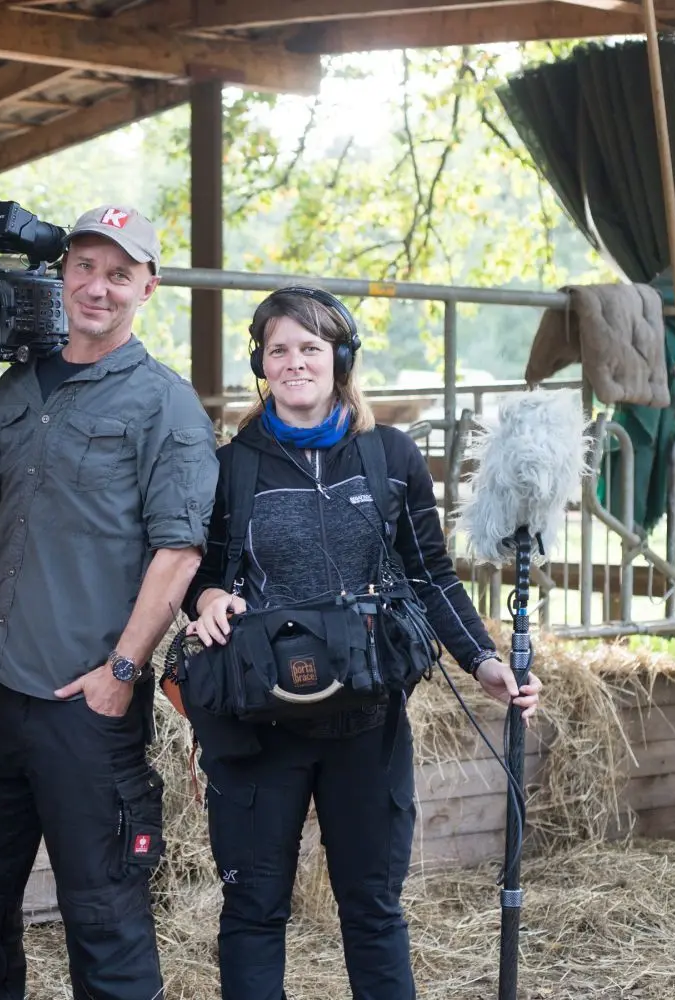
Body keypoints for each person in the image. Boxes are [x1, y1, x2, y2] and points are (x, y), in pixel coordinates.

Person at [180, 286, 543, 1000]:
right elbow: (204, 572)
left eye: (310, 347)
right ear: (260, 361)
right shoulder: (232, 466)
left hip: (367, 722)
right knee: (252, 911)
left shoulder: (390, 457)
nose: (294, 363)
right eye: (278, 349)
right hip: (260, 728)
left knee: (373, 910)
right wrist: (208, 597)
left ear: (340, 358)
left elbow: (430, 574)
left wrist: (485, 661)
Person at [0, 205, 219, 999]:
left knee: (102, 917)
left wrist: (121, 672)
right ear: (62, 273)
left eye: (117, 273)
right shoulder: (17, 385)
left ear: (149, 285)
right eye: (83, 267)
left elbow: (178, 552)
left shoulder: (163, 403)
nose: (96, 287)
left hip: (85, 703)